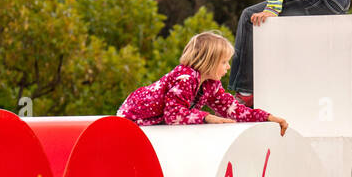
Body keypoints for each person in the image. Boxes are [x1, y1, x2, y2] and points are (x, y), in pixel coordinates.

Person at [117, 31, 289, 134]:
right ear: (209, 62)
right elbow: (173, 115)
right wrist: (207, 117)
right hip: (132, 119)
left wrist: (266, 117)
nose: (228, 67)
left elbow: (233, 109)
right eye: (223, 62)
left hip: (152, 125)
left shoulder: (210, 84)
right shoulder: (186, 78)